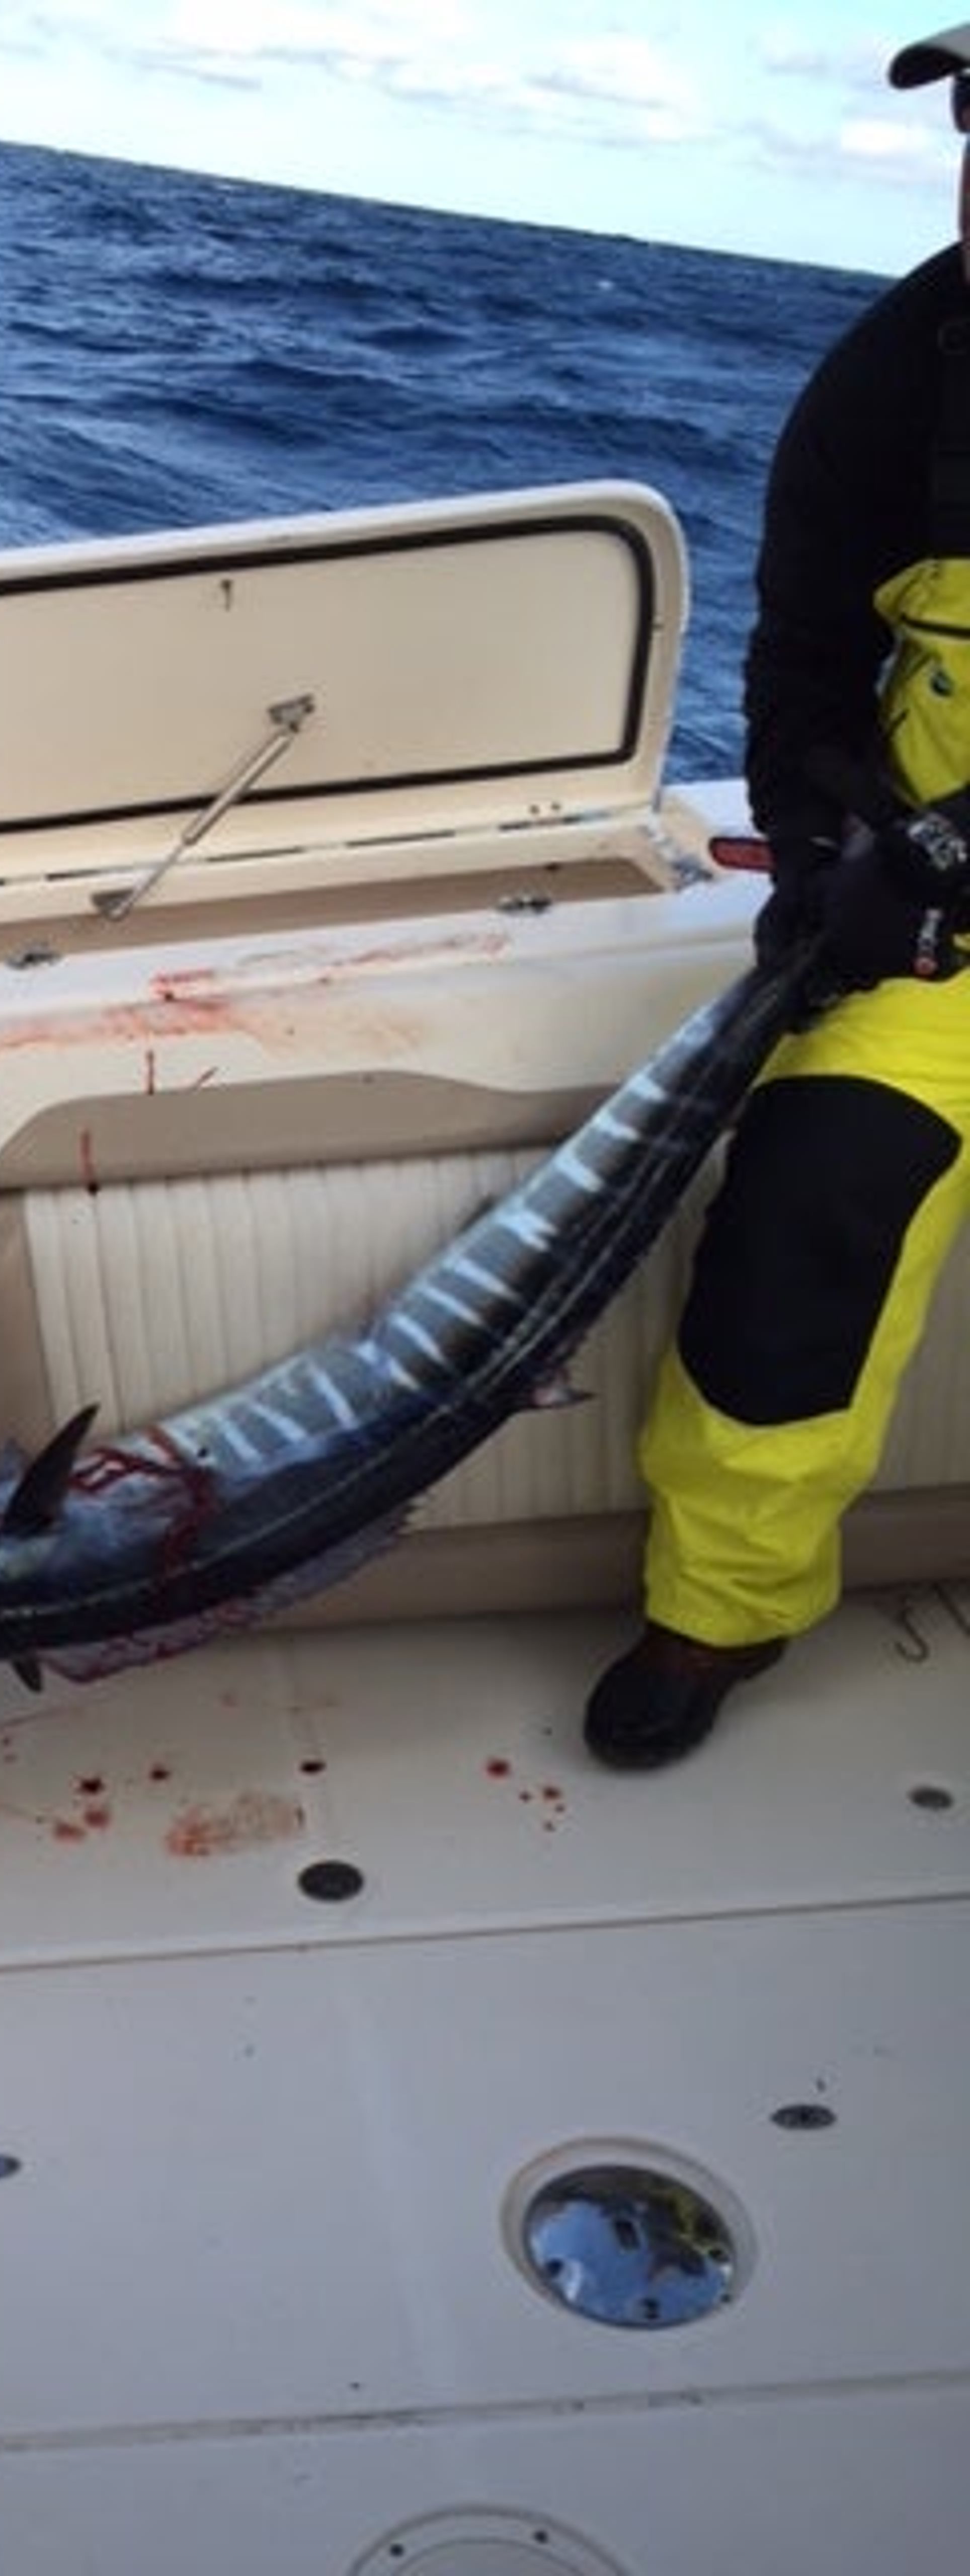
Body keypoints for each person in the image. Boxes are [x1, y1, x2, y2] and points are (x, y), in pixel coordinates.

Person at [584, 26, 970, 1769]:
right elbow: (808, 659)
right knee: (803, 1204)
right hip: (943, 929)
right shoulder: (899, 378)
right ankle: (720, 1606)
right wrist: (829, 855)